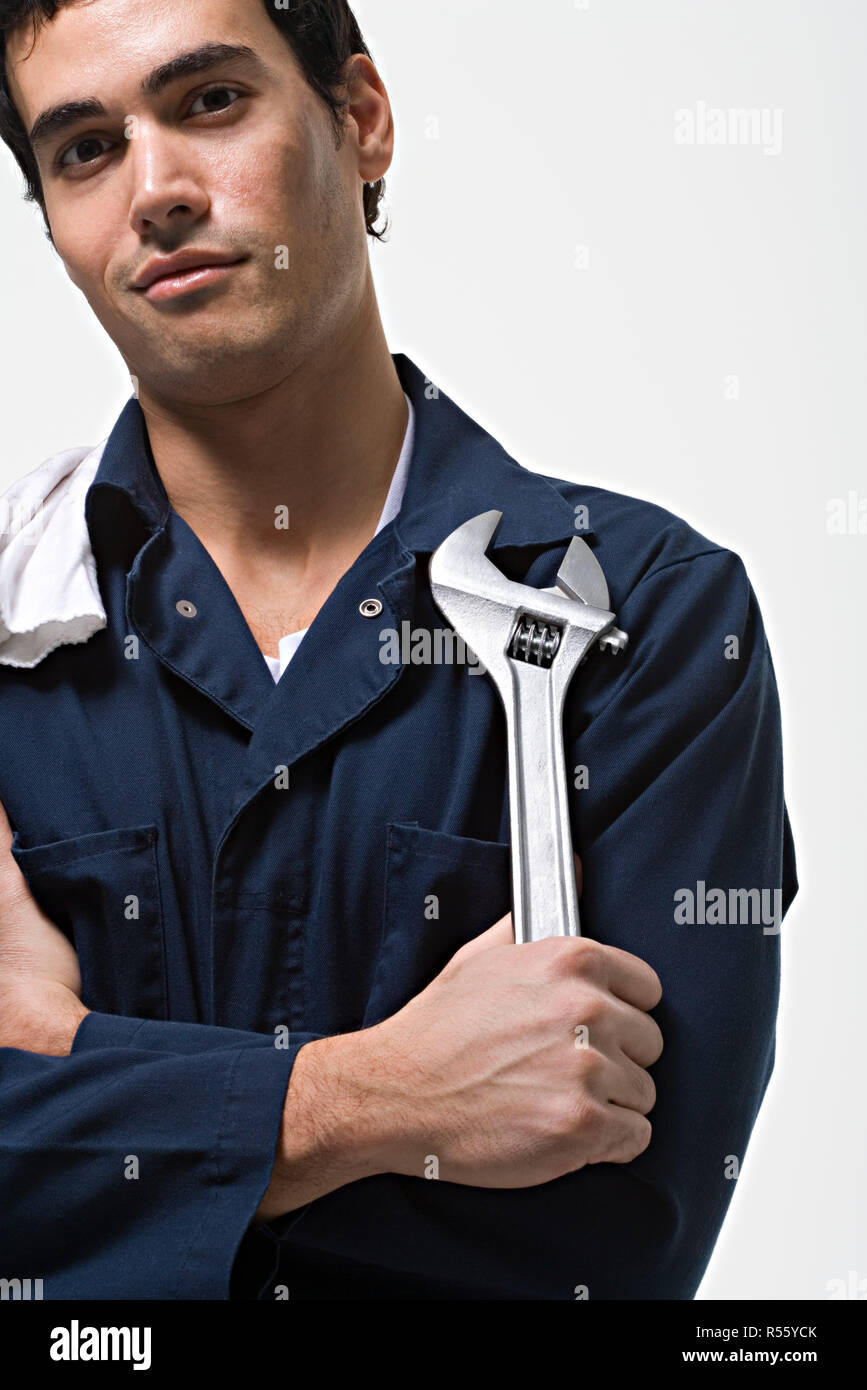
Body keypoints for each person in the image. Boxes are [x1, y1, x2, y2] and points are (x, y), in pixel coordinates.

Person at [0, 0, 797, 1300]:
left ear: (360, 119)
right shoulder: (12, 623)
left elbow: (616, 1238)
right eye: (84, 148)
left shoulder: (651, 621)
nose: (154, 192)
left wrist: (75, 1075)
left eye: (209, 102)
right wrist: (366, 1099)